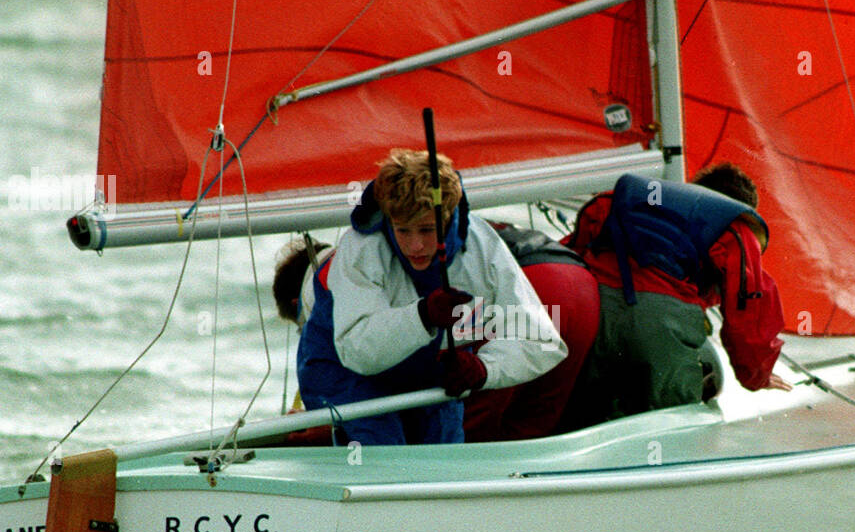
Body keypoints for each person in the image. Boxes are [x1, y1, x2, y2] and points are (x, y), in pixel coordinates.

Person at [291, 148, 566, 445]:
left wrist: (484, 369)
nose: (416, 245)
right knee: (382, 446)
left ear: (447, 218)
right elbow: (358, 352)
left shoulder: (483, 248)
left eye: (426, 229)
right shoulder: (360, 249)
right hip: (342, 368)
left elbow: (543, 340)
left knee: (445, 456)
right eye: (403, 230)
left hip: (429, 367)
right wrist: (423, 316)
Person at [562, 164, 790, 427]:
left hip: (588, 310)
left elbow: (571, 252)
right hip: (661, 323)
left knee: (582, 421)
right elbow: (749, 313)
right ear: (742, 206)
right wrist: (755, 376)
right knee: (672, 425)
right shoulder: (734, 225)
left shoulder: (624, 200)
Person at [461, 224, 600, 442]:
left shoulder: (432, 237)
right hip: (581, 288)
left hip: (540, 286)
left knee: (475, 415)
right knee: (534, 423)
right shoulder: (475, 227)